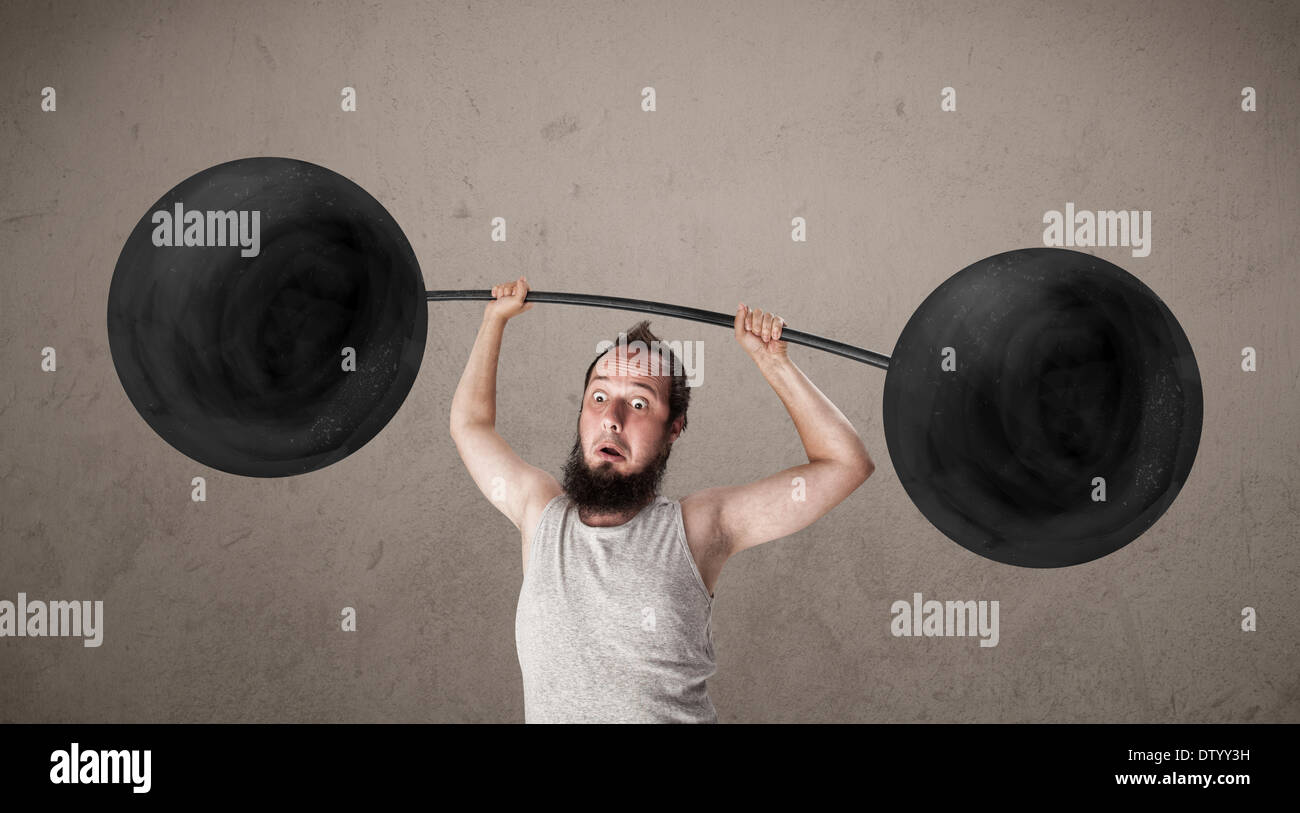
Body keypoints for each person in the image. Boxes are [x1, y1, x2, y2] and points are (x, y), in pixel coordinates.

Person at [449, 276, 875, 723]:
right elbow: (470, 425)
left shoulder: (698, 527)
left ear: (674, 428)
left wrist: (774, 363)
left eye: (638, 404)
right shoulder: (540, 515)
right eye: (599, 396)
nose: (611, 420)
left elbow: (845, 465)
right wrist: (493, 320)